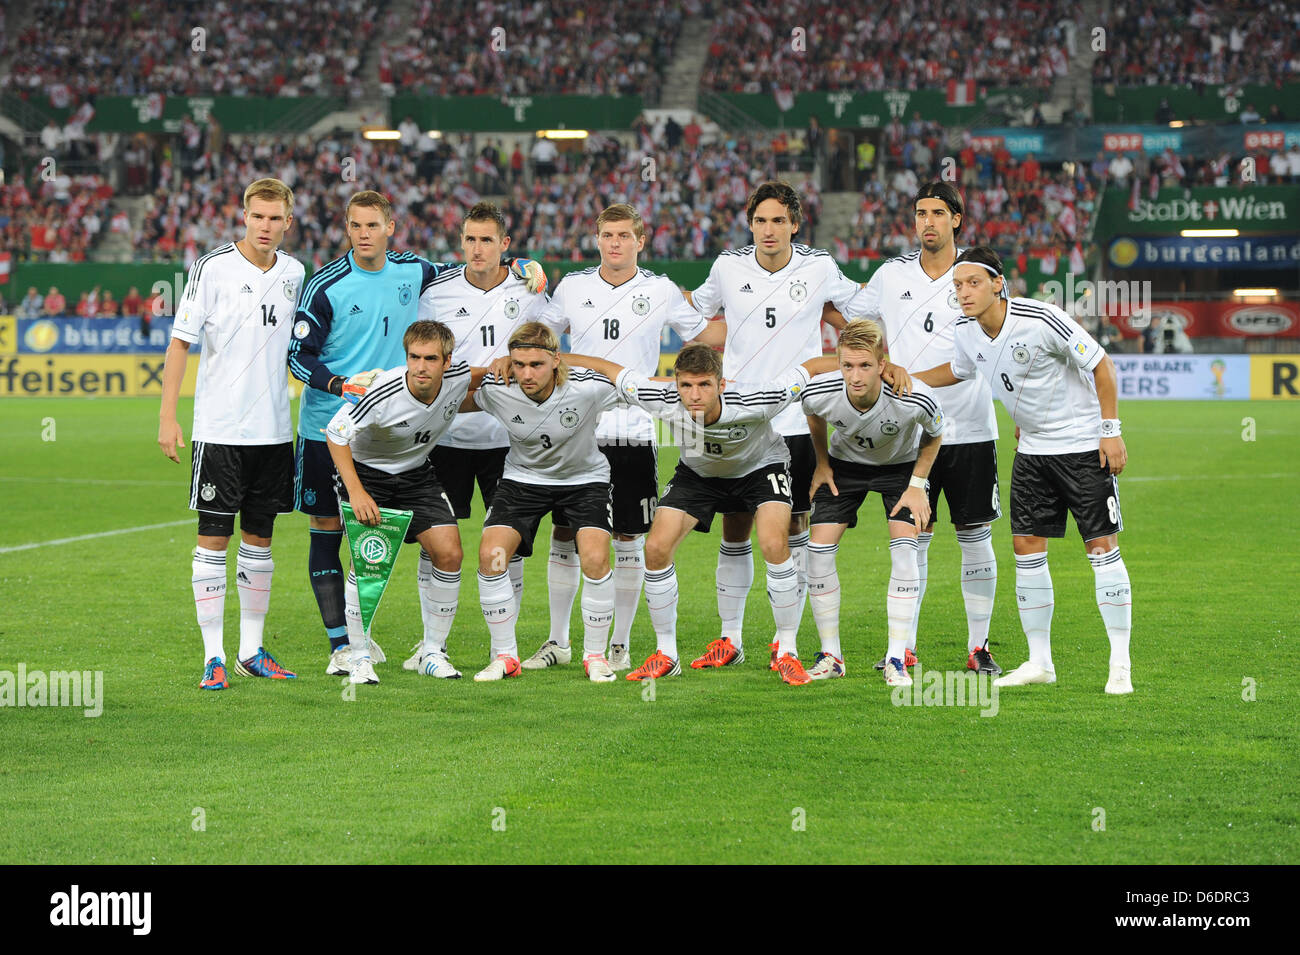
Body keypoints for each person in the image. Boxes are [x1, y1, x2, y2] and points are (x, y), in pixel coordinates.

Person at [288, 190, 547, 677]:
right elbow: (297, 356)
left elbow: (474, 268)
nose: (363, 234)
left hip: (409, 429)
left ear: (390, 227)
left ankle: (431, 648)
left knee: (437, 545)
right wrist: (341, 384)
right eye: (355, 225)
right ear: (346, 228)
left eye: (372, 225)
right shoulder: (325, 284)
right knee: (331, 532)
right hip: (334, 423)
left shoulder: (416, 271)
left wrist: (517, 263)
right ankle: (343, 646)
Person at [912, 247, 1133, 695]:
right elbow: (957, 371)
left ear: (998, 283)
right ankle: (1039, 661)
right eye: (957, 285)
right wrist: (905, 376)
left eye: (973, 282)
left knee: (1100, 548)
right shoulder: (966, 332)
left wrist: (1110, 431)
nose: (964, 292)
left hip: (1080, 445)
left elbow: (1101, 364)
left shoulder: (1041, 317)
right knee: (1026, 548)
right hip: (1032, 452)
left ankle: (1120, 662)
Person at [523, 203, 726, 673]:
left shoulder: (660, 290)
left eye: (623, 235)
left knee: (629, 535)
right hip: (577, 429)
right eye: (607, 235)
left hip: (634, 431)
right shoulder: (573, 287)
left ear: (641, 239)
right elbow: (540, 338)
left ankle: (619, 643)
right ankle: (558, 641)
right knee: (565, 531)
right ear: (597, 239)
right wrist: (520, 282)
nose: (615, 243)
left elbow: (703, 337)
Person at [562, 344, 840, 685]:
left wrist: (881, 366)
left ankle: (786, 652)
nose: (695, 395)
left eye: (705, 385)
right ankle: (667, 653)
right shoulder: (660, 398)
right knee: (655, 548)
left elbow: (810, 366)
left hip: (758, 468)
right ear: (674, 384)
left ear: (721, 385)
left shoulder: (759, 398)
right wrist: (555, 359)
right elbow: (607, 367)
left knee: (772, 543)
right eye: (686, 386)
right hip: (698, 474)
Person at [685, 180, 866, 671]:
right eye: (761, 220)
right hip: (738, 418)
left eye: (778, 221)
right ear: (750, 223)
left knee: (793, 526)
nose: (769, 230)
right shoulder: (727, 266)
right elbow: (691, 313)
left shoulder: (820, 267)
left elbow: (860, 307)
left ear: (794, 223)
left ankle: (788, 640)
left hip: (797, 418)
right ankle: (731, 638)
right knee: (734, 524)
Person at [843, 182, 1003, 675]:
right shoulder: (891, 276)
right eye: (919, 213)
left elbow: (992, 349)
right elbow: (850, 318)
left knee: (975, 534)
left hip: (971, 426)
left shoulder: (975, 276)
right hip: (910, 432)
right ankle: (903, 647)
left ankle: (979, 647)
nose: (927, 221)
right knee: (914, 534)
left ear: (957, 219)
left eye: (937, 212)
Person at [157, 178, 305, 690]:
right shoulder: (212, 268)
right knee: (213, 540)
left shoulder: (294, 273)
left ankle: (250, 650)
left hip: (273, 433)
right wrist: (167, 418)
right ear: (244, 216)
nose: (266, 226)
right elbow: (180, 343)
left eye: (275, 218)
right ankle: (213, 656)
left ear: (289, 221)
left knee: (260, 542)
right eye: (257, 216)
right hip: (220, 430)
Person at [412, 201, 549, 668]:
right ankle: (433, 644)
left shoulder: (530, 291)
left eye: (487, 239)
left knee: (506, 548)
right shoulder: (437, 295)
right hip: (445, 439)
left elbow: (547, 359)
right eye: (470, 238)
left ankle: (502, 647)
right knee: (434, 544)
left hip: (508, 442)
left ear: (505, 245)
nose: (477, 248)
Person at [325, 320, 488, 684]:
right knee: (368, 561)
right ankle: (359, 655)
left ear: (447, 361)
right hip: (366, 474)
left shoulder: (457, 376)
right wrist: (356, 492)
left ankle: (431, 652)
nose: (420, 367)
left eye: (430, 358)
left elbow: (487, 373)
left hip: (416, 473)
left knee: (450, 553)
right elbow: (336, 436)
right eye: (414, 357)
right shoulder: (380, 391)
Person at [469, 322, 622, 683]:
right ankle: (505, 656)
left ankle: (595, 656)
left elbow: (631, 383)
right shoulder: (497, 389)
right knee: (491, 557)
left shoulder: (587, 388)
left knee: (596, 558)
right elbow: (446, 397)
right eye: (518, 364)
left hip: (585, 481)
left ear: (556, 360)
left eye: (536, 364)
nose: (526, 374)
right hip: (523, 481)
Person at [801, 319, 943, 687]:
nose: (855, 375)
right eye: (847, 365)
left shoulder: (915, 396)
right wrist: (821, 463)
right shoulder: (821, 392)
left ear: (882, 364)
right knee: (816, 552)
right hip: (844, 467)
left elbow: (936, 432)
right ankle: (831, 655)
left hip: (900, 469)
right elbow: (812, 415)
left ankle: (897, 658)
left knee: (905, 549)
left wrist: (917, 484)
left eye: (865, 365)